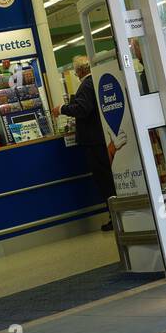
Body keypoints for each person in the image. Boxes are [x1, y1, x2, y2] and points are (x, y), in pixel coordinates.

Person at [51, 55, 116, 232]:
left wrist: (62, 109)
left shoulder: (86, 85)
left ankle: (115, 217)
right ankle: (117, 215)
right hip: (102, 138)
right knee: (108, 178)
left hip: (94, 141)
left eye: (75, 70)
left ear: (80, 70)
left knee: (104, 180)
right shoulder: (97, 81)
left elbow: (82, 109)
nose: (75, 72)